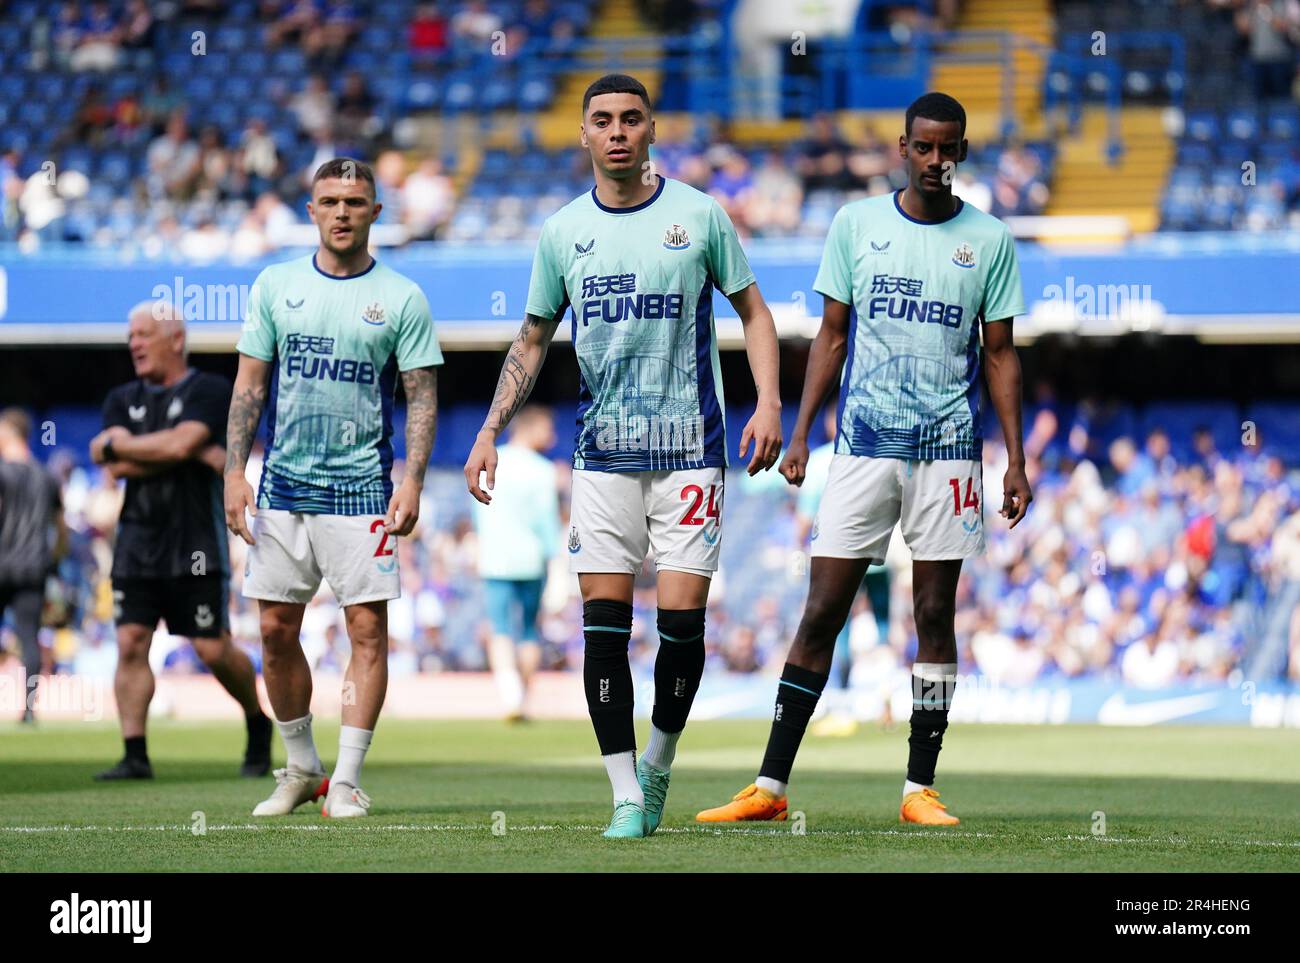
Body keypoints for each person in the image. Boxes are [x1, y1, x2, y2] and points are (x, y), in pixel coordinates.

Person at [696, 92, 1031, 827]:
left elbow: (1000, 353)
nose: (937, 161)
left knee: (935, 612)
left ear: (962, 152)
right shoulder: (856, 225)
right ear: (904, 148)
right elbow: (831, 336)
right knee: (822, 610)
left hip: (949, 453)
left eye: (950, 149)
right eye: (925, 147)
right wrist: (803, 430)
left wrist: (1014, 458)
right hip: (863, 448)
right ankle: (770, 786)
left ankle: (919, 788)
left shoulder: (992, 241)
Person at [464, 73, 783, 838]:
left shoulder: (699, 216)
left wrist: (769, 401)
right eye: (601, 120)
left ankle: (660, 761)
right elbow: (532, 337)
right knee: (602, 630)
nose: (616, 131)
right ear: (583, 134)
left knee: (682, 627)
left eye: (630, 119)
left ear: (650, 130)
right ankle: (623, 795)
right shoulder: (562, 231)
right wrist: (488, 428)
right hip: (602, 459)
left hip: (689, 454)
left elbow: (755, 311)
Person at [225, 157, 443, 818]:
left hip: (362, 490)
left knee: (367, 633)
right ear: (312, 209)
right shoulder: (275, 284)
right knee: (273, 629)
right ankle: (300, 765)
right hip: (285, 488)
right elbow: (250, 387)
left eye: (355, 200)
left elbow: (422, 399)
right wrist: (235, 471)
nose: (342, 211)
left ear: (377, 211)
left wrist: (412, 478)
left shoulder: (402, 297)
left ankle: (345, 778)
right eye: (329, 200)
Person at [89, 300, 271, 779]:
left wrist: (127, 446)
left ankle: (257, 721)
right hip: (136, 541)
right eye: (131, 336)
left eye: (144, 334)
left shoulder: (210, 391)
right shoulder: (120, 397)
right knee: (130, 641)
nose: (135, 344)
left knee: (210, 647)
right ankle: (135, 754)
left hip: (195, 543)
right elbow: (113, 462)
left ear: (175, 340)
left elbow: (172, 444)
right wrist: (179, 450)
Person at [471, 405, 560, 721]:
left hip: (495, 558)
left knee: (501, 628)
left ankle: (511, 697)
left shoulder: (489, 461)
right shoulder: (544, 470)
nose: (553, 436)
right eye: (548, 429)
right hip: (533, 559)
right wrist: (556, 558)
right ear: (530, 428)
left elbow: (477, 511)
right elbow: (548, 523)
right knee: (529, 631)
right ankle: (521, 697)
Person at [0, 409, 66, 723]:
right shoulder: (46, 476)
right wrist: (54, 562)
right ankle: (28, 709)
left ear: (11, 432)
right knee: (29, 636)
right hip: (34, 566)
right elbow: (61, 527)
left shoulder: (2, 472)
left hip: (3, 562)